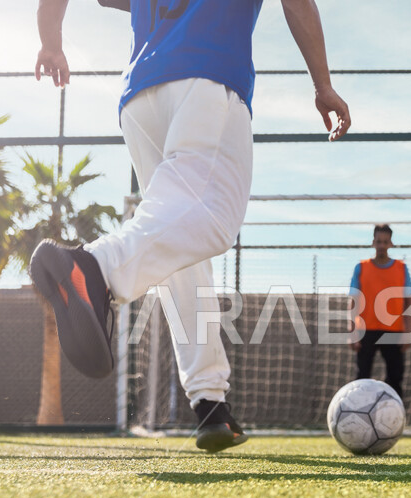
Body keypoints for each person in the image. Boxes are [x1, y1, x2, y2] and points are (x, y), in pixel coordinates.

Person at [30, 0, 351, 452]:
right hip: (206, 76)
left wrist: (51, 41)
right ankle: (95, 267)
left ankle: (209, 401)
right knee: (214, 221)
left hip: (140, 98)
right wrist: (323, 85)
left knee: (175, 244)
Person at [349, 224, 411, 401]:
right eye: (379, 241)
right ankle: (359, 419)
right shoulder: (361, 268)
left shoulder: (401, 268)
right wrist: (353, 331)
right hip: (366, 329)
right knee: (362, 377)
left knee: (395, 378)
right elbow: (353, 300)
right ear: (373, 242)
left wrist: (408, 331)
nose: (382, 245)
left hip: (394, 330)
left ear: (391, 243)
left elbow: (408, 301)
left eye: (385, 241)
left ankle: (393, 420)